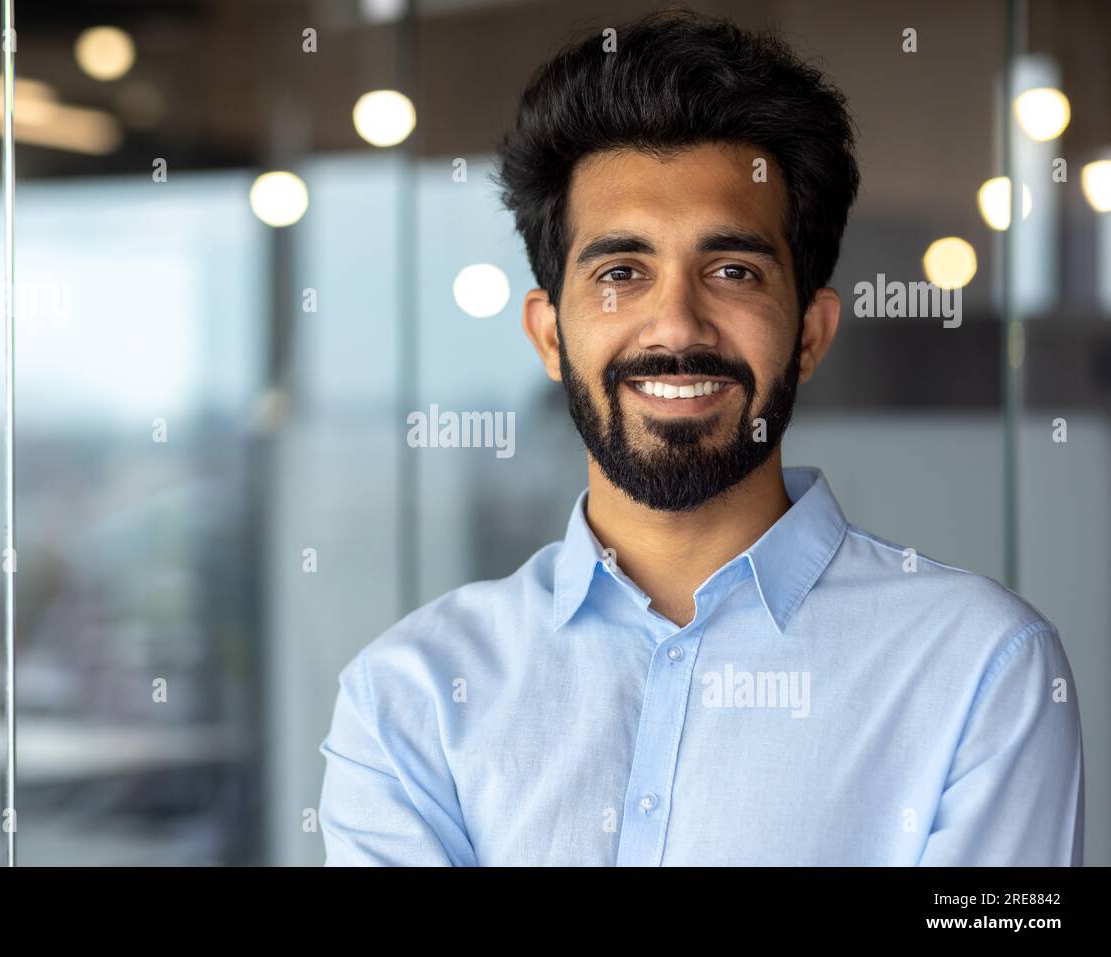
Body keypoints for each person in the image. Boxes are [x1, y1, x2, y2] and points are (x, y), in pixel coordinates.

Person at [317, 8, 1084, 866]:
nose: (675, 323)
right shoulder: (408, 697)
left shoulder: (983, 670)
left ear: (811, 333)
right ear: (547, 334)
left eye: (732, 271)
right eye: (620, 272)